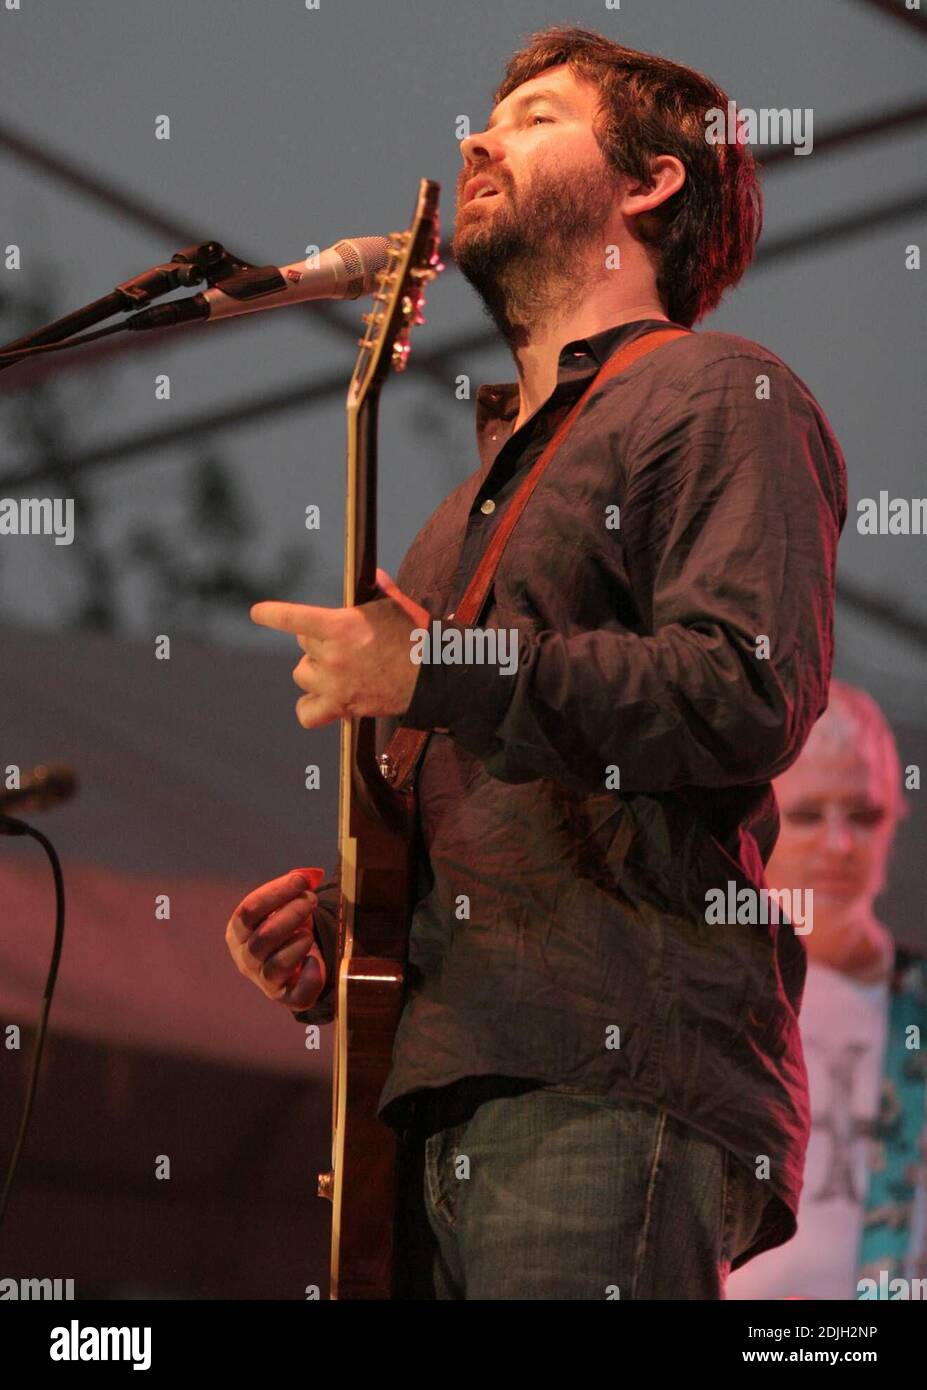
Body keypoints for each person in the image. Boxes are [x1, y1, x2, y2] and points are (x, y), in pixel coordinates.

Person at [225, 26, 848, 1298]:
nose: (478, 138)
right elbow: (514, 797)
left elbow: (748, 690)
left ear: (652, 182)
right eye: (487, 117)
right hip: (446, 1096)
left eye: (537, 116)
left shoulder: (722, 394)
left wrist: (439, 669)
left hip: (609, 1078)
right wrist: (355, 934)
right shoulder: (462, 518)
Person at [727, 681, 927, 1301]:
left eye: (864, 816)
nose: (839, 847)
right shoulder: (708, 1000)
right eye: (809, 815)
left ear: (897, 820)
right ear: (757, 824)